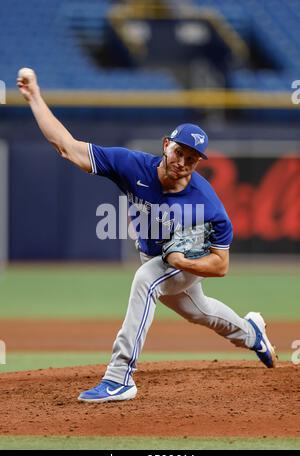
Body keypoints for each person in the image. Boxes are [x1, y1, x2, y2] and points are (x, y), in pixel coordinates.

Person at [17, 69, 277, 404]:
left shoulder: (207, 204)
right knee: (201, 311)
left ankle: (120, 377)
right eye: (179, 152)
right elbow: (67, 148)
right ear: (166, 145)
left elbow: (221, 264)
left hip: (185, 260)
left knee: (146, 279)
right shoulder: (131, 166)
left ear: (198, 163)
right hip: (160, 255)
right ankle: (252, 333)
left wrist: (184, 260)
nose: (182, 162)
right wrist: (35, 97)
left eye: (192, 158)